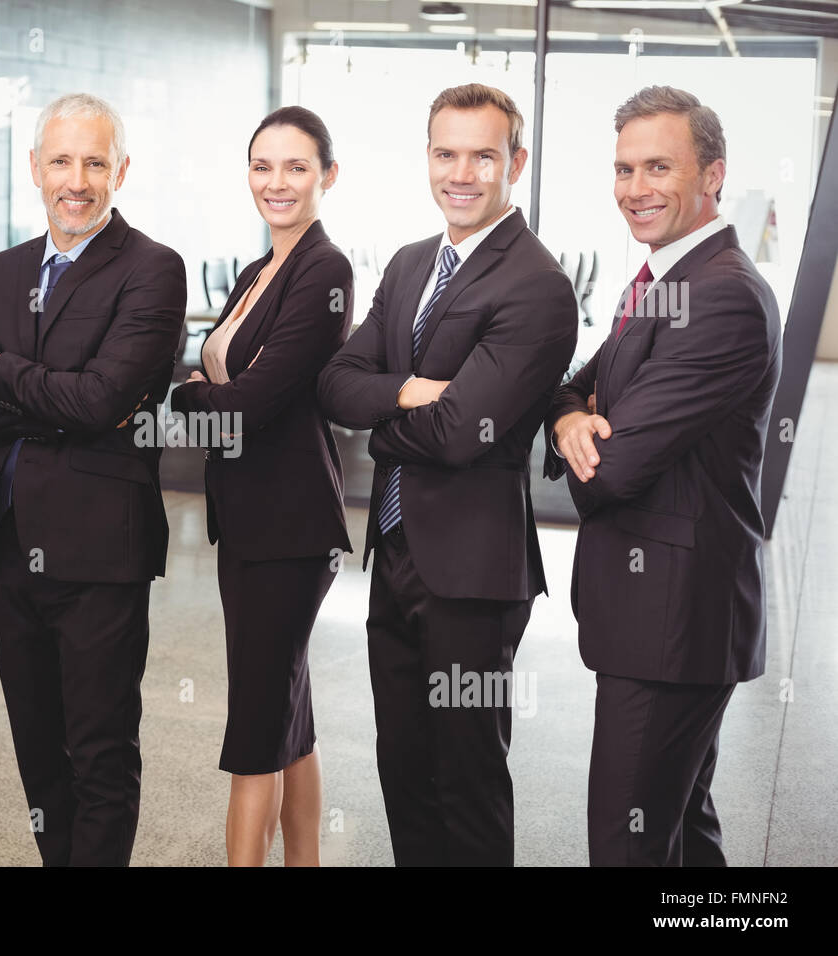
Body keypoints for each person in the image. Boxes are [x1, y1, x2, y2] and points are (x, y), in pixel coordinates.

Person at [317, 83, 578, 866]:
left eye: (482, 155)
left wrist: (382, 414)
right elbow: (334, 382)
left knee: (463, 777)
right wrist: (404, 389)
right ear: (428, 157)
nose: (460, 173)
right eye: (445, 153)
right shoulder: (407, 265)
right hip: (394, 557)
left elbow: (467, 433)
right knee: (402, 767)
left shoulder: (535, 285)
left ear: (516, 163)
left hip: (472, 576)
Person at [0, 92, 187, 867]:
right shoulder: (2, 270)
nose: (75, 180)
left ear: (120, 170)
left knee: (100, 751)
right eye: (60, 161)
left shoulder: (153, 270)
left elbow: (104, 400)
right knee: (38, 749)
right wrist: (52, 395)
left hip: (101, 554)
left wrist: (2, 371)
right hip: (13, 543)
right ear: (34, 169)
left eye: (93, 162)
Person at [544, 86, 781, 866]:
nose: (634, 189)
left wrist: (590, 433)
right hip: (660, 619)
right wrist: (576, 414)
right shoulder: (656, 279)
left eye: (657, 167)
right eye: (623, 169)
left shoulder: (724, 297)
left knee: (626, 843)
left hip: (674, 623)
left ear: (712, 174)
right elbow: (574, 385)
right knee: (678, 829)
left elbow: (610, 474)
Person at [169, 106, 352, 866]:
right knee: (286, 717)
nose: (276, 183)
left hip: (289, 528)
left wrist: (184, 398)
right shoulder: (259, 271)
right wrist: (213, 398)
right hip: (248, 523)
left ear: (327, 176)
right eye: (262, 166)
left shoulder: (324, 270)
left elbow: (246, 405)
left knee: (253, 729)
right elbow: (237, 390)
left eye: (296, 167)